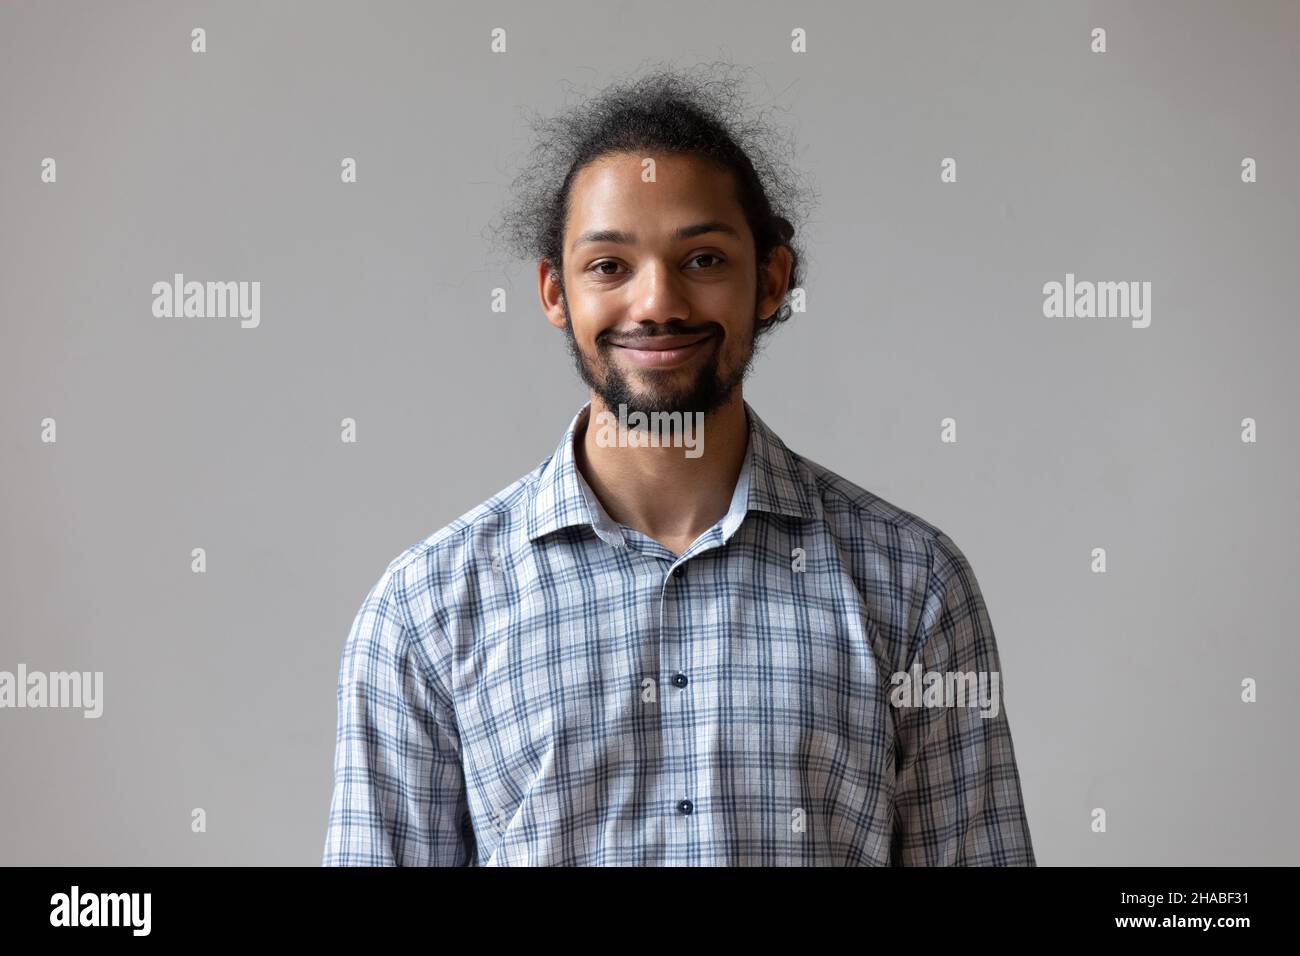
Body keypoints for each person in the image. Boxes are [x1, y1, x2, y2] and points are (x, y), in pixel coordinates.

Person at [323, 64, 1035, 866]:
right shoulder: (424, 612)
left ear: (770, 281)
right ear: (556, 293)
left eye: (702, 260)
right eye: (609, 266)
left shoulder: (913, 586)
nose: (657, 301)